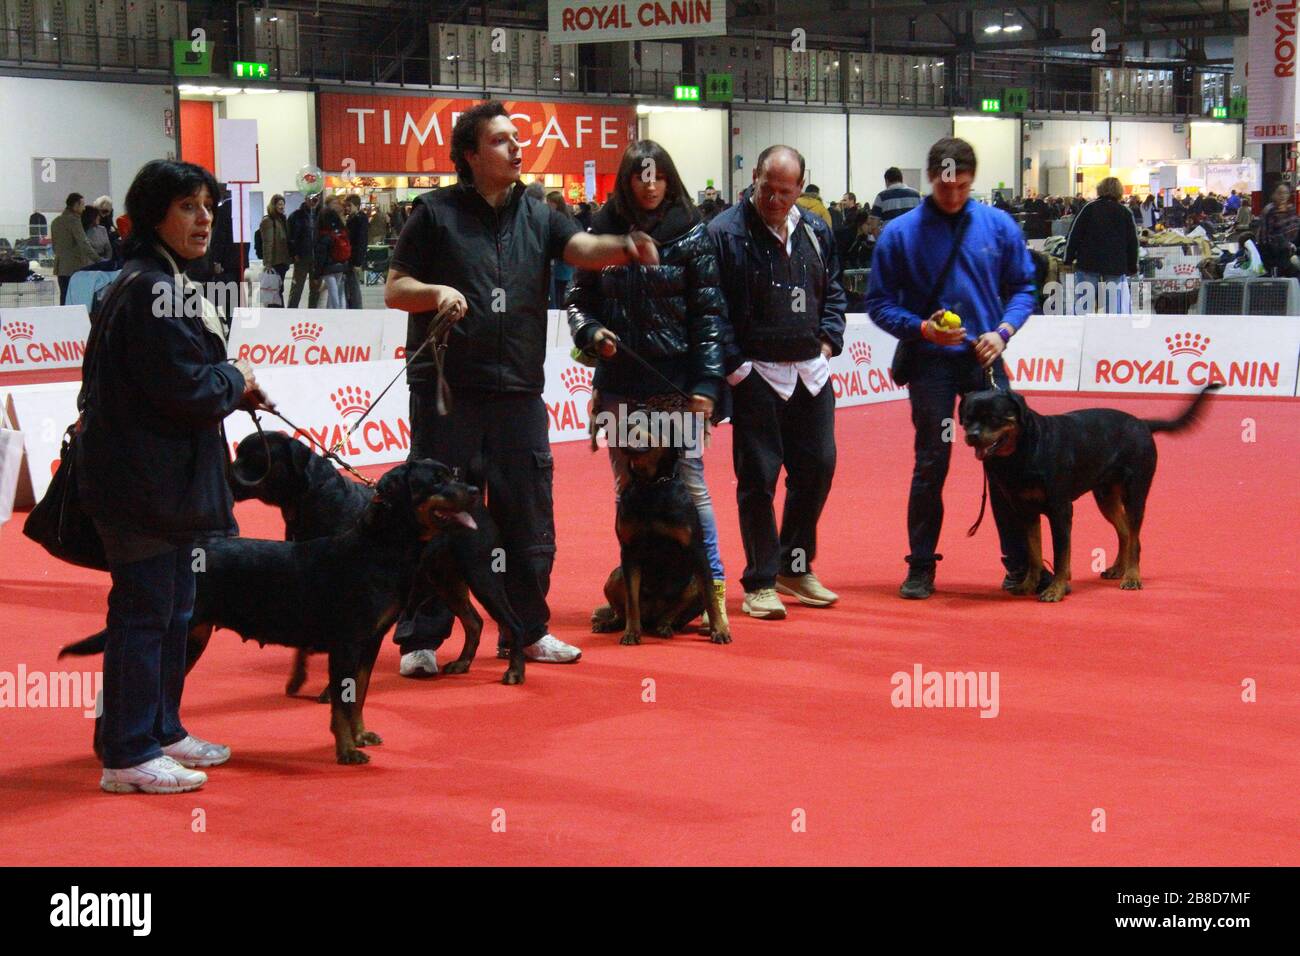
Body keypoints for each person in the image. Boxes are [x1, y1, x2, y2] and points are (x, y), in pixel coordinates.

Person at [384, 100, 661, 674]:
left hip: (518, 392)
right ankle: (420, 640)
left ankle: (527, 630)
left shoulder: (537, 212)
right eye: (501, 141)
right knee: (437, 518)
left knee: (527, 517)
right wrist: (435, 293)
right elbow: (395, 288)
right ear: (469, 154)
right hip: (447, 392)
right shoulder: (433, 214)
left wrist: (624, 247)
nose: (516, 149)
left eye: (517, 139)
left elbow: (580, 249)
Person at [77, 159, 268, 793]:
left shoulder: (166, 281)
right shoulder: (146, 288)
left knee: (176, 608)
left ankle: (158, 728)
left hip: (170, 482)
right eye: (188, 206)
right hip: (143, 483)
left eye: (208, 205)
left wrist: (229, 388)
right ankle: (128, 753)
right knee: (146, 611)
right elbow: (184, 390)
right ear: (154, 214)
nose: (204, 217)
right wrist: (235, 381)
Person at [865, 137, 1036, 600]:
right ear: (930, 178)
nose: (954, 196)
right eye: (945, 189)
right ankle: (920, 566)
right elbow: (877, 304)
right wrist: (920, 328)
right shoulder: (899, 234)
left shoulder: (999, 227)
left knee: (1009, 462)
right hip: (930, 368)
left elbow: (1024, 288)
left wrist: (1003, 331)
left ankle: (1019, 562)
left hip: (986, 361)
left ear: (972, 180)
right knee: (931, 463)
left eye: (962, 187)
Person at [566, 140, 728, 618]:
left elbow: (710, 317)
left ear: (669, 178)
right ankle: (641, 602)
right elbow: (578, 301)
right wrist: (591, 332)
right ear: (628, 180)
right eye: (642, 175)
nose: (651, 184)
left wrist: (706, 386)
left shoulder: (694, 234)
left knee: (691, 488)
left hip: (676, 388)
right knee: (628, 490)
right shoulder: (602, 230)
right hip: (620, 388)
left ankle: (712, 596)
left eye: (658, 175)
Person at [708, 144, 846, 620]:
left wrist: (829, 341)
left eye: (785, 191)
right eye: (767, 187)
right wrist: (737, 369)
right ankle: (761, 580)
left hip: (811, 372)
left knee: (818, 468)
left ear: (800, 189)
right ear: (754, 179)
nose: (774, 199)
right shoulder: (723, 233)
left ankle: (795, 564)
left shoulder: (816, 230)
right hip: (756, 376)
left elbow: (834, 293)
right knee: (758, 481)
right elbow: (711, 309)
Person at [1064, 177, 1139, 315]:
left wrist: (1068, 259)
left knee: (1084, 305)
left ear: (1100, 189)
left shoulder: (1089, 208)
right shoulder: (1125, 212)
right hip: (1115, 265)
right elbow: (1132, 243)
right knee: (1113, 306)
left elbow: (1074, 235)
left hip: (1088, 262)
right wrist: (1132, 266)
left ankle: (1083, 332)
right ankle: (1111, 333)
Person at [51, 193, 101, 304]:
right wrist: (98, 260)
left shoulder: (55, 222)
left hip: (61, 268)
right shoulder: (74, 221)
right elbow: (84, 243)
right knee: (77, 299)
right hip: (75, 267)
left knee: (64, 297)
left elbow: (54, 246)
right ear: (76, 205)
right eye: (82, 205)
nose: (84, 209)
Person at [286, 193, 322, 308]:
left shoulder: (321, 216)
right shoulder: (296, 216)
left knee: (315, 289)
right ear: (306, 199)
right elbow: (290, 237)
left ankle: (313, 313)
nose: (313, 201)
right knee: (297, 288)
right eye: (311, 199)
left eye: (316, 199)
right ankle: (292, 312)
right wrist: (294, 253)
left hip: (317, 259)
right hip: (301, 257)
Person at [315, 197, 351, 309]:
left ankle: (336, 313)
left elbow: (321, 256)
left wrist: (317, 273)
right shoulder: (340, 231)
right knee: (339, 291)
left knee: (333, 291)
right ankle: (337, 310)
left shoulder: (324, 235)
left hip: (328, 267)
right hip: (341, 264)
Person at [1255, 182, 1298, 274]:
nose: (1283, 196)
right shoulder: (1269, 210)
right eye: (1279, 193)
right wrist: (1287, 245)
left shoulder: (1290, 208)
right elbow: (1266, 238)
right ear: (1273, 194)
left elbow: (1295, 228)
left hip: (1291, 249)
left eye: (1286, 193)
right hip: (1274, 254)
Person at [257, 193, 292, 306]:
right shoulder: (269, 221)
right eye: (279, 204)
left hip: (282, 261)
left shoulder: (281, 219)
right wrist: (268, 263)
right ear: (273, 205)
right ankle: (277, 313)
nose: (282, 207)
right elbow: (268, 243)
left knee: (278, 289)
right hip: (275, 262)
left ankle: (278, 312)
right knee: (275, 290)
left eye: (283, 204)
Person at [545, 191, 575, 308]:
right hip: (564, 264)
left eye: (548, 203)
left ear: (555, 204)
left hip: (560, 263)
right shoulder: (567, 219)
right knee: (560, 293)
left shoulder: (557, 221)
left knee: (558, 294)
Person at [343, 194, 368, 308]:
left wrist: (358, 262)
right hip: (349, 257)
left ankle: (357, 309)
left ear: (357, 205)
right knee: (349, 285)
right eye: (346, 206)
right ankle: (351, 307)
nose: (347, 208)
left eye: (349, 205)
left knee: (354, 286)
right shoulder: (352, 218)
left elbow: (361, 241)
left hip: (354, 259)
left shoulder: (360, 219)